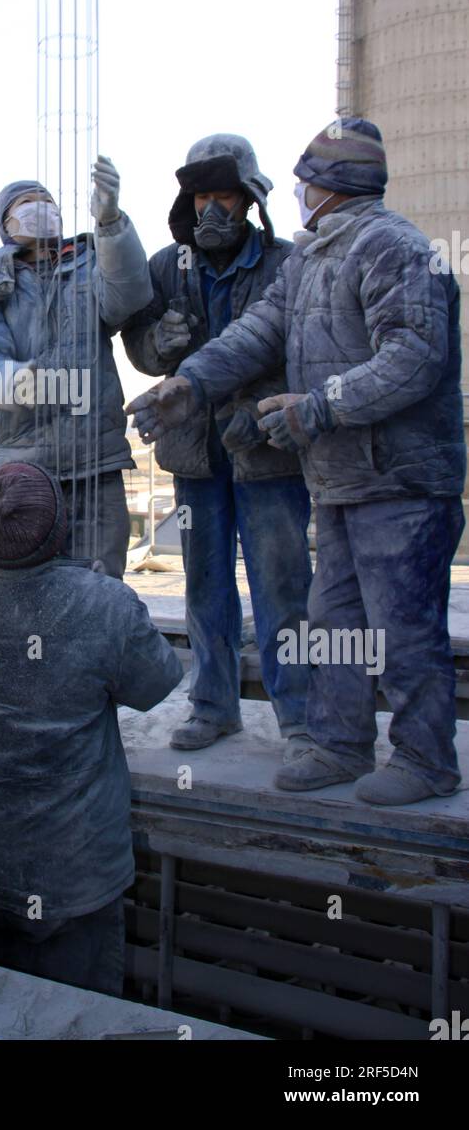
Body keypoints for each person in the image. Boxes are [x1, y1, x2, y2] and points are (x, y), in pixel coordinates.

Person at [127, 119, 466, 806]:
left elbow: (415, 360)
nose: (299, 191)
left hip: (400, 480)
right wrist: (189, 385)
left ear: (331, 185)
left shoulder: (393, 249)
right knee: (335, 622)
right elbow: (257, 334)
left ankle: (425, 759)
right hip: (340, 478)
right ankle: (339, 744)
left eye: (307, 179)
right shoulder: (311, 259)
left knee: (403, 626)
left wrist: (318, 406)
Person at [0, 462, 183, 996]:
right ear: (60, 533)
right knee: (76, 1015)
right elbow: (156, 684)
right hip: (73, 868)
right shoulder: (104, 603)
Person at [122, 134, 311, 758]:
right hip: (196, 459)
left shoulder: (286, 265)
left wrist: (260, 415)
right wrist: (159, 346)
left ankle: (300, 715)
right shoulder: (164, 267)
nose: (211, 208)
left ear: (249, 199)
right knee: (203, 583)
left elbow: (305, 354)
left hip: (267, 457)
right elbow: (140, 349)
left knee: (282, 586)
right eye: (202, 195)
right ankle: (213, 706)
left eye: (223, 195)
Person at [0, 157, 152, 578]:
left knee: (100, 587)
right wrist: (39, 384)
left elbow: (128, 297)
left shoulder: (91, 265)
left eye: (47, 202)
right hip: (23, 469)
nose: (40, 208)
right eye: (26, 204)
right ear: (6, 225)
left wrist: (111, 224)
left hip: (95, 463)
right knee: (25, 589)